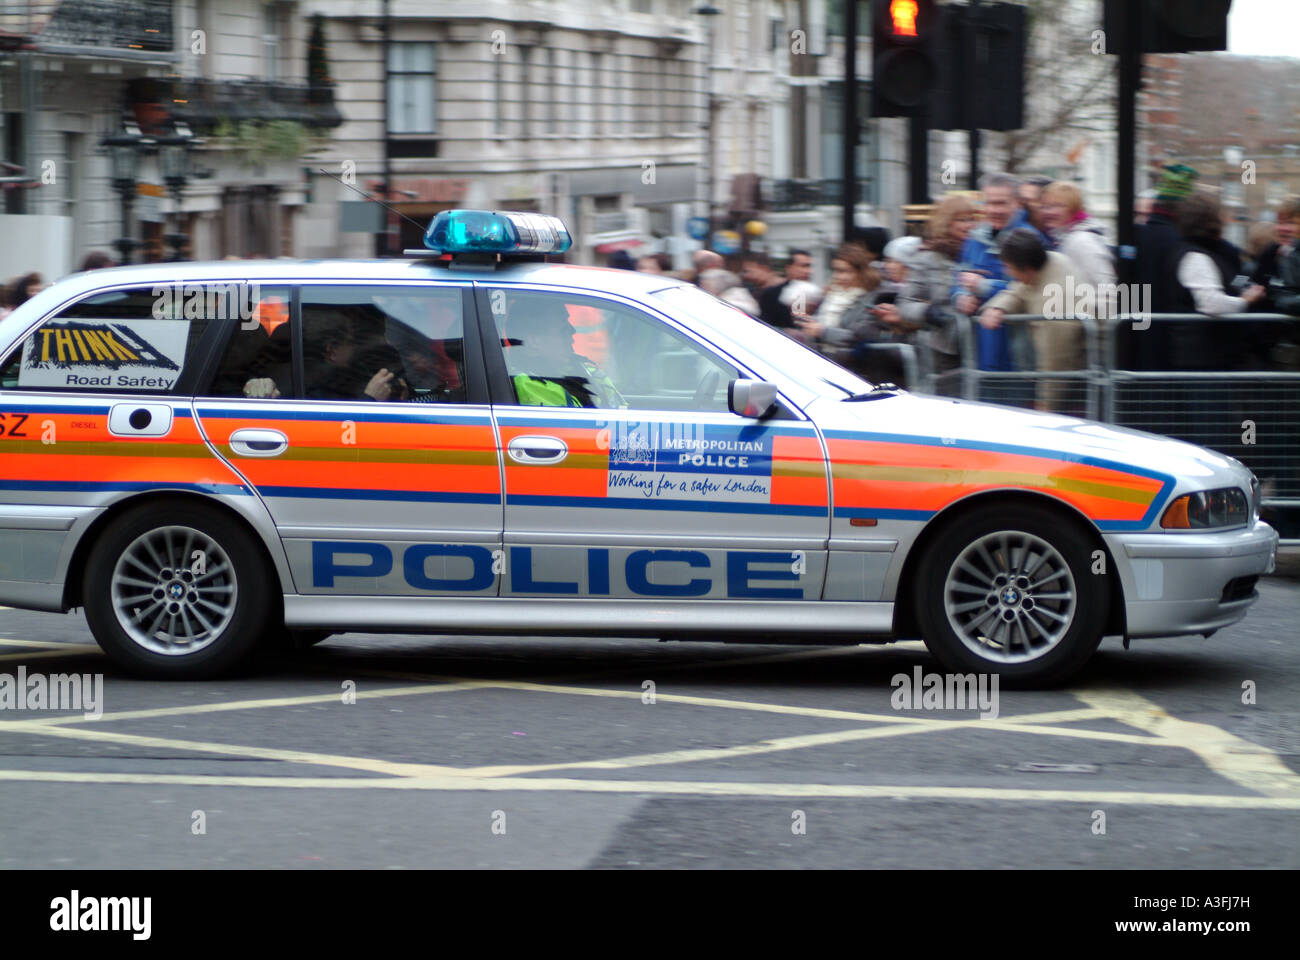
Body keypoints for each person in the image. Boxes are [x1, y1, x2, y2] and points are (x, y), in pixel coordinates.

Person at [977, 229, 1088, 412]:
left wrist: (1046, 406)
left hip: (1074, 383)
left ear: (1027, 270)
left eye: (1008, 267)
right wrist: (997, 307)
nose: (1006, 272)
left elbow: (1056, 363)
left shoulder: (1055, 306)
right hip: (1063, 372)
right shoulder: (1049, 260)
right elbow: (1019, 289)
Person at [952, 173, 1048, 371]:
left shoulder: (1032, 239)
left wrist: (984, 287)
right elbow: (957, 277)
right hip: (979, 352)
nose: (994, 210)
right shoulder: (974, 239)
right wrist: (960, 296)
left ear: (1017, 203)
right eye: (989, 203)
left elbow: (1034, 289)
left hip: (1018, 354)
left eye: (1001, 203)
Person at [898, 194, 978, 386]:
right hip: (945, 350)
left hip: (982, 345)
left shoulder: (981, 253)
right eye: (961, 220)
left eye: (971, 219)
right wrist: (927, 312)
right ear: (946, 223)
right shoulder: (928, 259)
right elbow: (904, 304)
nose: (968, 225)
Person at [503, 298, 625, 408]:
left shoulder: (584, 370)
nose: (572, 332)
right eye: (563, 330)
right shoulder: (529, 386)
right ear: (534, 342)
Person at [1040, 181, 1117, 316]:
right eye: (1045, 206)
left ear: (1073, 209)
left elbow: (1105, 289)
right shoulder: (1062, 239)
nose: (1048, 212)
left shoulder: (1082, 241)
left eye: (1057, 206)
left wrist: (1100, 330)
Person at [739, 251, 797, 330]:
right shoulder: (755, 291)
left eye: (748, 271)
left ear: (763, 268)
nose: (746, 276)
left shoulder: (781, 292)